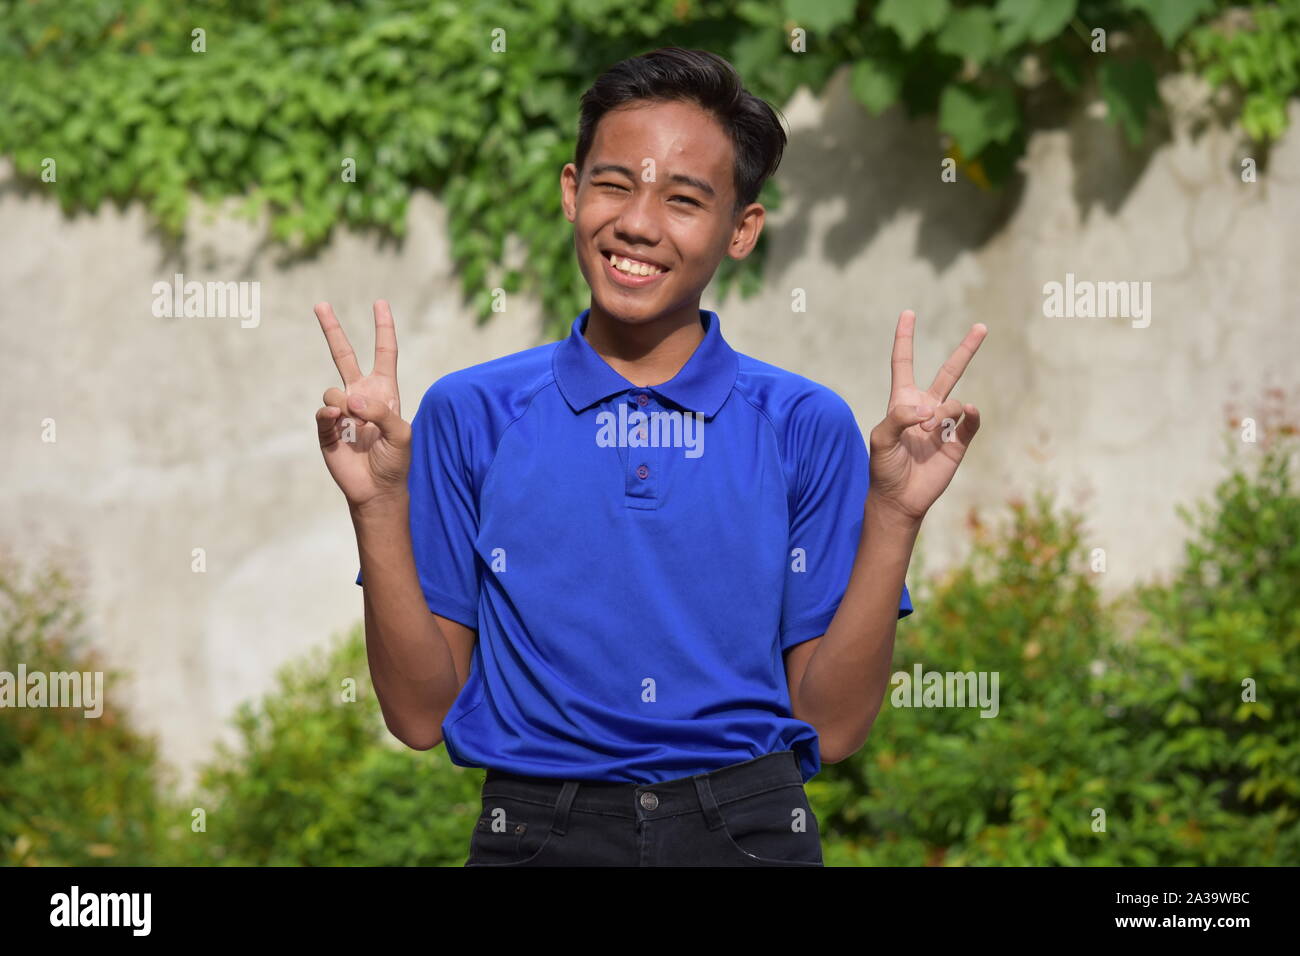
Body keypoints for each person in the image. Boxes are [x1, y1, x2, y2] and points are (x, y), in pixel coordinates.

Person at [313, 47, 985, 866]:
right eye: (614, 183)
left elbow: (835, 726)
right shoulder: (470, 413)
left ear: (740, 230)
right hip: (532, 829)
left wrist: (895, 514)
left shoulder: (803, 424)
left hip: (752, 827)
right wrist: (377, 505)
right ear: (570, 191)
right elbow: (421, 717)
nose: (637, 222)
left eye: (683, 199)